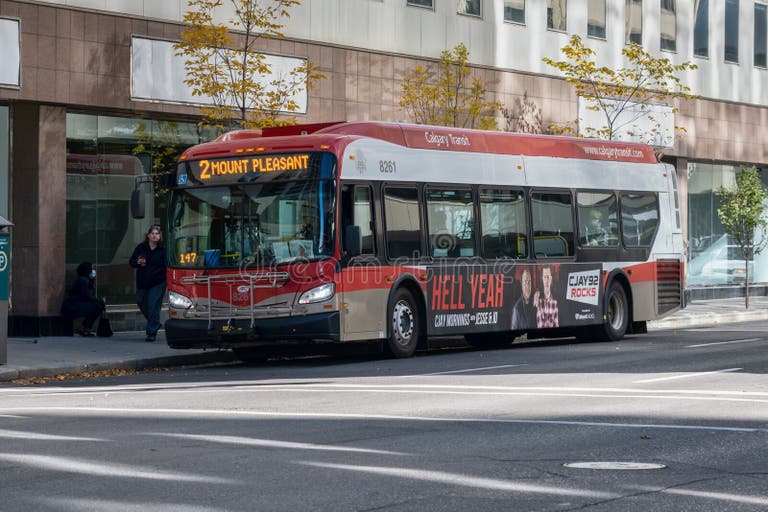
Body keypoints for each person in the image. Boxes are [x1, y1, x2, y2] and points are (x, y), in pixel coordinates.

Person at [129, 225, 166, 342]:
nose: (154, 235)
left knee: (152, 305)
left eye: (157, 233)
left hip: (158, 282)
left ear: (160, 236)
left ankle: (151, 333)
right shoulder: (141, 247)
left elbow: (167, 266)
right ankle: (154, 323)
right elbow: (131, 262)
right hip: (143, 282)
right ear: (148, 235)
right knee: (140, 301)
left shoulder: (163, 250)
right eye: (152, 233)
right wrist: (137, 262)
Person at [61, 262, 105, 336]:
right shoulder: (83, 280)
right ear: (87, 270)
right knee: (97, 306)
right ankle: (84, 328)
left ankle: (85, 328)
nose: (93, 271)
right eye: (91, 269)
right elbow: (87, 296)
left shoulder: (85, 280)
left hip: (76, 304)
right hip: (72, 306)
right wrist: (100, 300)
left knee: (97, 306)